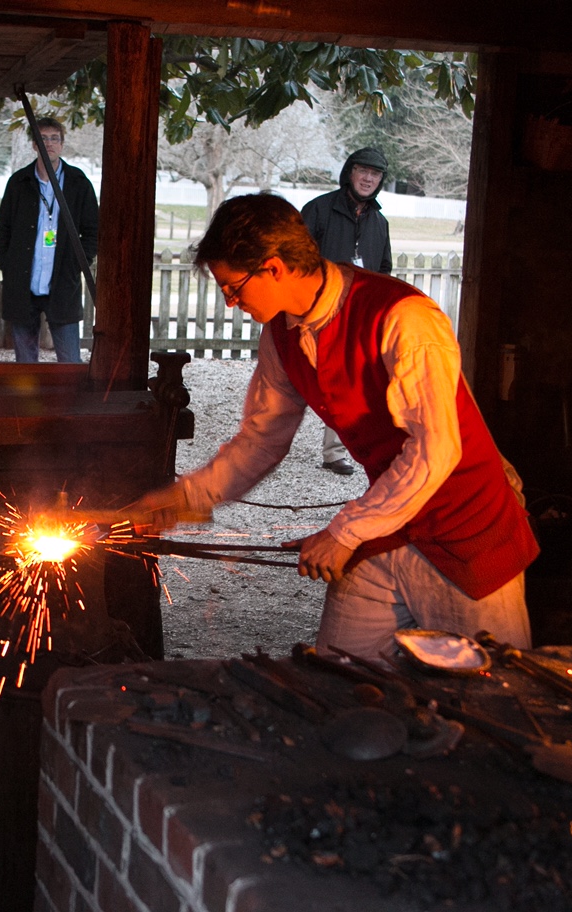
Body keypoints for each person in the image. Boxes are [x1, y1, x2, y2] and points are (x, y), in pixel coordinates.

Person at [126, 193, 538, 663]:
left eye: (234, 287)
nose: (230, 301)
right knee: (339, 672)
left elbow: (435, 450)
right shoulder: (281, 334)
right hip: (389, 527)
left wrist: (344, 533)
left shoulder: (404, 318)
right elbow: (261, 439)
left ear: (274, 267)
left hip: (469, 534)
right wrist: (188, 496)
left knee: (499, 695)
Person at [301, 147, 394, 476]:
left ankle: (334, 452)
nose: (369, 178)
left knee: (344, 380)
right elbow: (298, 257)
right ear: (349, 173)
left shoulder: (380, 222)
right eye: (363, 171)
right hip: (316, 309)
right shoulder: (319, 210)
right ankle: (264, 443)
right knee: (295, 376)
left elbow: (384, 269)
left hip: (356, 315)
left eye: (376, 174)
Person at [0, 117, 99, 363]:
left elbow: (93, 232)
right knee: (26, 364)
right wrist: (9, 265)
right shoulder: (19, 183)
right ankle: (27, 403)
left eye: (54, 138)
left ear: (62, 144)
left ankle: (69, 403)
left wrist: (75, 264)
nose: (48, 144)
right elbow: (4, 230)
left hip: (62, 282)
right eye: (43, 138)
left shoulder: (78, 183)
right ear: (34, 144)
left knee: (70, 362)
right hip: (24, 283)